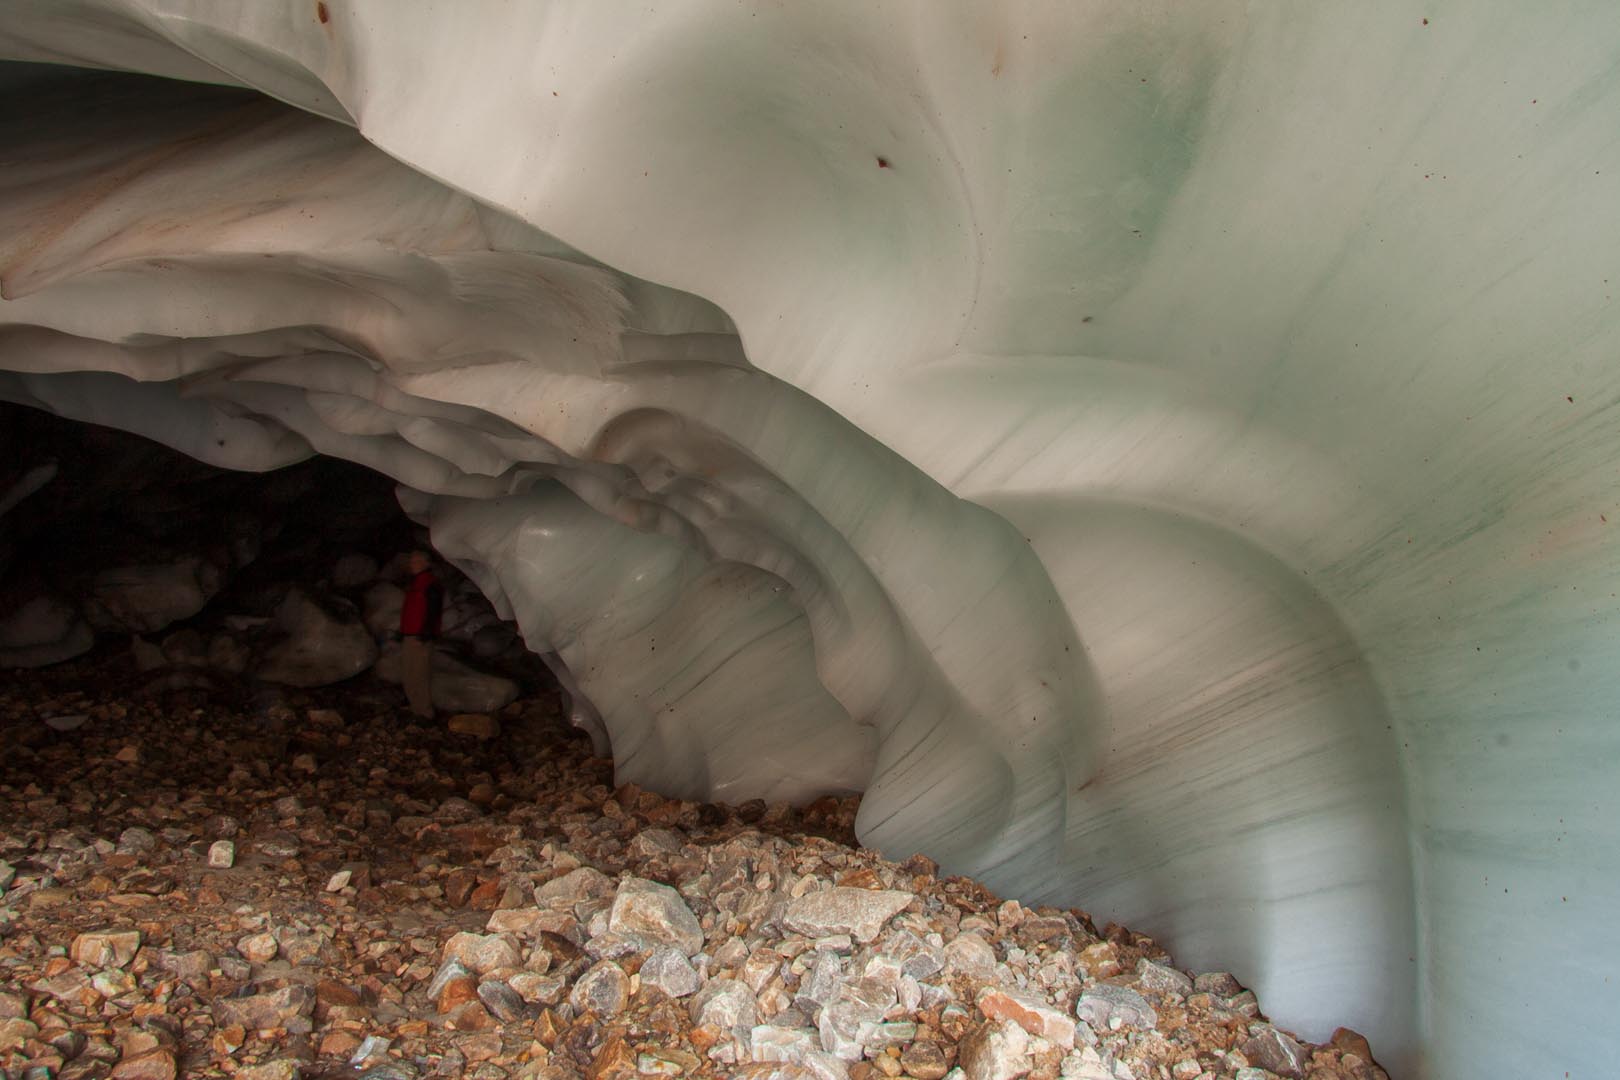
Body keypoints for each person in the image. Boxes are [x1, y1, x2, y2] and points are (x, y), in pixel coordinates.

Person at [398, 549, 444, 719]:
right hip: (410, 635)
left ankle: (424, 712)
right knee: (409, 673)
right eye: (412, 561)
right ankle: (415, 707)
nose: (412, 564)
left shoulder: (430, 584)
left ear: (426, 563)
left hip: (420, 637)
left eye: (416, 561)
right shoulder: (416, 583)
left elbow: (433, 611)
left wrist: (426, 634)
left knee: (419, 675)